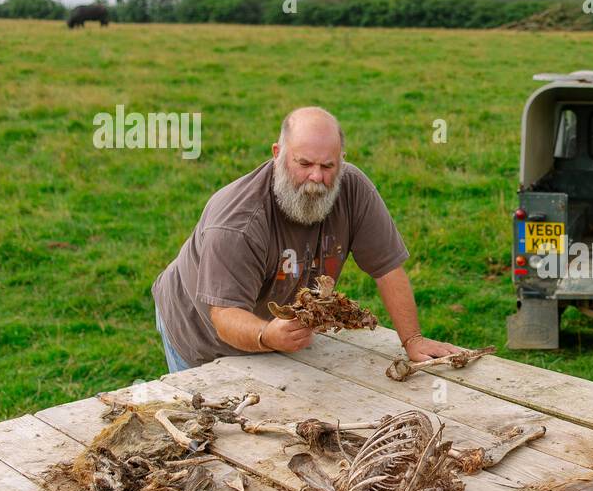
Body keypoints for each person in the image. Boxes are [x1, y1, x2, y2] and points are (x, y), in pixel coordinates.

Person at [151, 106, 461, 372]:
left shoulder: (353, 189)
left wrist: (413, 339)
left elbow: (387, 269)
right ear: (278, 155)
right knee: (210, 426)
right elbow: (224, 315)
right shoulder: (238, 222)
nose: (317, 177)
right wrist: (266, 336)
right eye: (304, 164)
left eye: (328, 166)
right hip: (201, 331)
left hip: (275, 328)